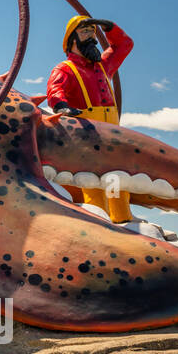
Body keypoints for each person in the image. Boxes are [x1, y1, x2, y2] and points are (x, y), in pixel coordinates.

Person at [46, 16, 134, 222]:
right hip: (88, 133)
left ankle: (123, 221)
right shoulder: (65, 68)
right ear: (72, 39)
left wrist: (110, 27)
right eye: (85, 32)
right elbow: (55, 90)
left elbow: (125, 44)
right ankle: (99, 222)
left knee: (117, 179)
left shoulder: (103, 66)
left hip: (113, 134)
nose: (92, 37)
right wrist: (62, 106)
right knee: (93, 181)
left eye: (93, 32)